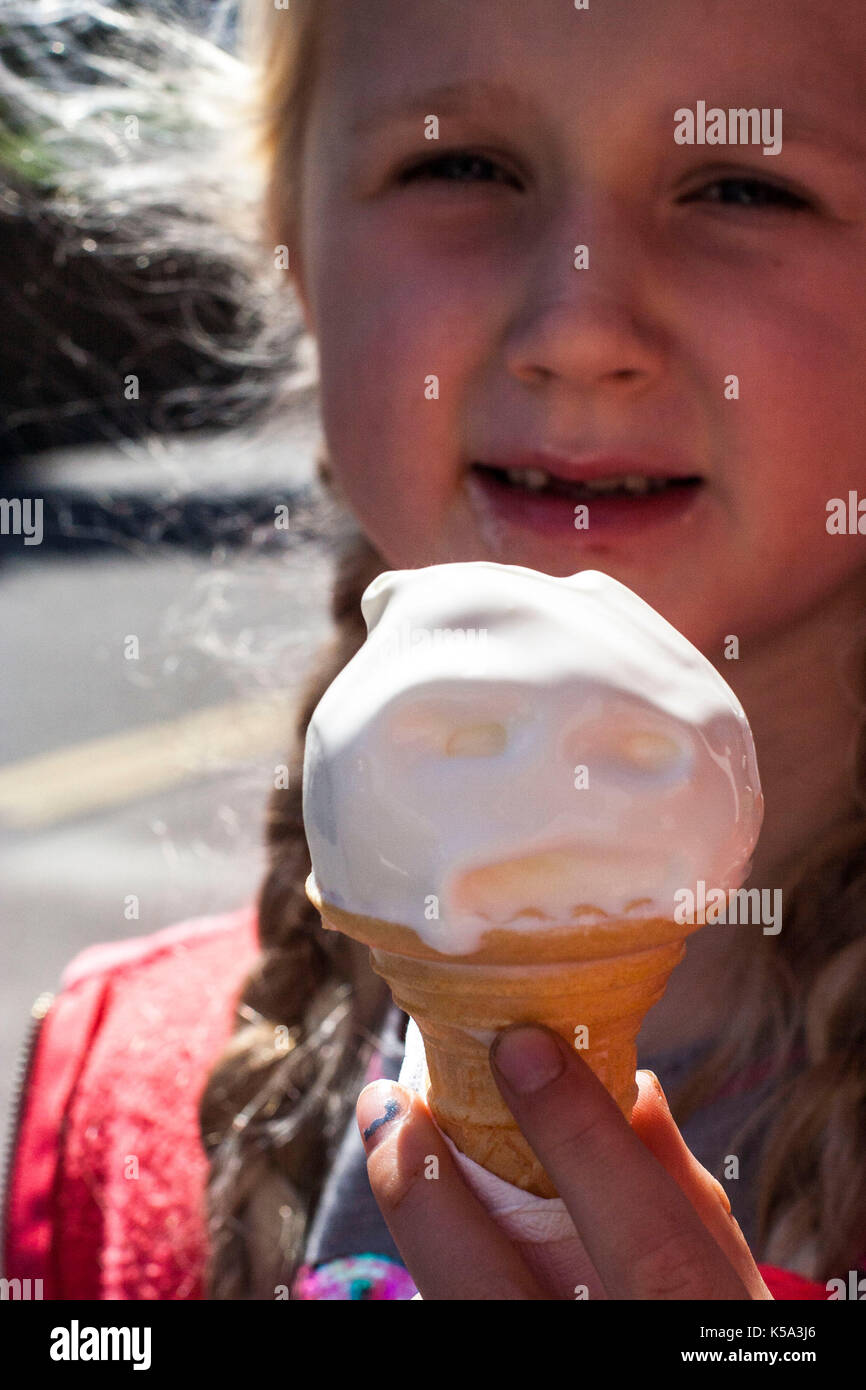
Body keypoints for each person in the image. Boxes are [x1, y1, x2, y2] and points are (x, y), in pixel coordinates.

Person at [5, 0, 866, 1300]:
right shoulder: (121, 1103)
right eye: (457, 166)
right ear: (291, 248)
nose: (575, 327)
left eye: (743, 186)